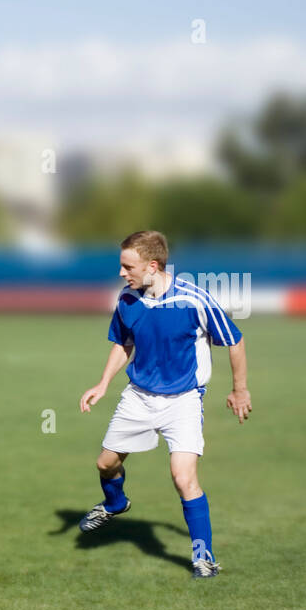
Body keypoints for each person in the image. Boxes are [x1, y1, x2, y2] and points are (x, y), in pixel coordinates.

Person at [78, 230, 252, 578]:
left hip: (183, 401)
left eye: (128, 266)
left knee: (183, 478)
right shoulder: (128, 299)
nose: (121, 273)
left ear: (153, 266)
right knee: (105, 465)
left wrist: (240, 390)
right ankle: (115, 503)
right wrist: (102, 383)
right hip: (139, 398)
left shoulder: (194, 300)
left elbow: (234, 340)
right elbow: (123, 344)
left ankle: (204, 557)